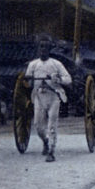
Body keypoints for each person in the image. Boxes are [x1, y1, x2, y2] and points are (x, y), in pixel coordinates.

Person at [24, 34, 71, 162]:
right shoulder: (33, 65)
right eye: (41, 47)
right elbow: (27, 81)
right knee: (38, 125)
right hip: (38, 96)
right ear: (38, 49)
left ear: (49, 49)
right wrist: (28, 80)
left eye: (45, 47)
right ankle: (45, 140)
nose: (43, 50)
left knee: (52, 124)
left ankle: (51, 150)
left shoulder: (56, 64)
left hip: (54, 96)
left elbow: (68, 79)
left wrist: (58, 79)